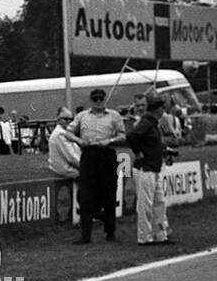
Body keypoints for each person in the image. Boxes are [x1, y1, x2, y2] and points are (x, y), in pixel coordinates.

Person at [68, 88, 125, 242]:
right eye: (95, 99)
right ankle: (85, 235)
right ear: (91, 100)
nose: (98, 102)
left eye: (101, 99)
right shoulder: (82, 116)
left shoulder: (114, 115)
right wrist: (80, 141)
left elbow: (122, 134)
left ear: (105, 100)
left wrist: (110, 141)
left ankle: (110, 231)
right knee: (86, 194)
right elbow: (68, 132)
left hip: (106, 154)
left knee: (109, 194)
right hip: (89, 154)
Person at [126, 95, 170, 245]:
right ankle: (144, 237)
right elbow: (132, 135)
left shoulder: (152, 123)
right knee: (146, 205)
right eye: (162, 108)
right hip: (145, 168)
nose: (164, 111)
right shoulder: (146, 122)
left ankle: (161, 234)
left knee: (159, 202)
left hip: (153, 167)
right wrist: (138, 152)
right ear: (157, 109)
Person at [47, 107, 81, 180]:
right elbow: (72, 158)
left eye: (71, 119)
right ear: (58, 120)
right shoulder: (60, 134)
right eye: (65, 119)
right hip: (66, 171)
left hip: (67, 169)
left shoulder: (64, 132)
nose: (69, 121)